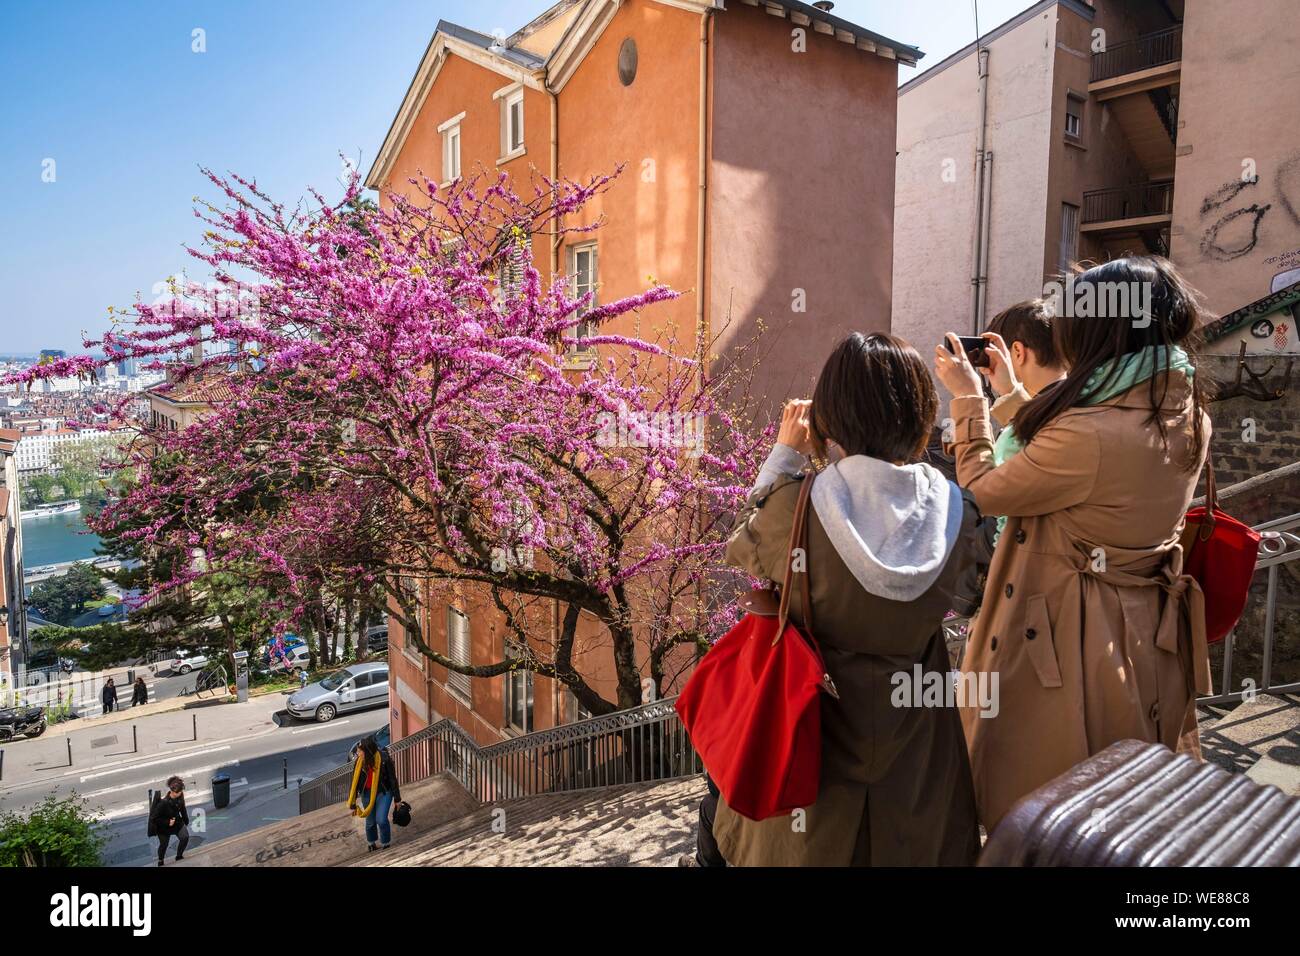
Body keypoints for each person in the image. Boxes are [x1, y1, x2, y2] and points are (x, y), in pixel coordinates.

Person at [933, 255, 1213, 832]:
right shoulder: (1179, 408)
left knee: (1047, 801)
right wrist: (1009, 395)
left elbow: (987, 488)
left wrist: (968, 402)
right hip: (1143, 631)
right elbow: (1063, 461)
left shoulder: (1090, 430)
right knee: (1120, 802)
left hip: (1069, 635)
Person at [706, 332, 985, 866]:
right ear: (920, 411)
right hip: (918, 735)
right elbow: (971, 595)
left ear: (830, 416)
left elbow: (743, 548)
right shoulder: (957, 510)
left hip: (817, 733)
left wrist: (786, 454)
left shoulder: (798, 506)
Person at [347, 735, 401, 851]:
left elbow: (392, 779)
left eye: (360, 751)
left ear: (367, 751)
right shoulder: (359, 762)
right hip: (366, 794)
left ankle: (386, 843)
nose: (358, 753)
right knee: (370, 822)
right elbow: (354, 782)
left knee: (381, 819)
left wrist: (397, 799)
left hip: (383, 792)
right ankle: (372, 843)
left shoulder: (384, 759)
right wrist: (352, 802)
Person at [150, 775, 190, 865]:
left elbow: (182, 808)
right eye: (179, 792)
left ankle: (179, 856)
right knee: (164, 845)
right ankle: (161, 860)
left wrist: (185, 820)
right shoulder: (163, 803)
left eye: (181, 791)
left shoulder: (180, 796)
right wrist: (167, 822)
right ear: (172, 791)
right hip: (163, 827)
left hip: (177, 822)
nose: (181, 793)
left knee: (185, 837)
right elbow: (154, 818)